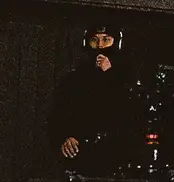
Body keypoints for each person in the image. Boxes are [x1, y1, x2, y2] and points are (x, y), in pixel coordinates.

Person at [50, 22, 137, 174]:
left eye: (106, 40)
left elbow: (128, 112)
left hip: (115, 157)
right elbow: (59, 113)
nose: (100, 46)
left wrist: (110, 74)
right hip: (82, 154)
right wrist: (66, 137)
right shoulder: (75, 78)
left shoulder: (127, 77)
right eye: (95, 40)